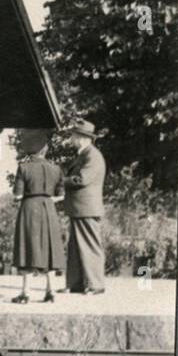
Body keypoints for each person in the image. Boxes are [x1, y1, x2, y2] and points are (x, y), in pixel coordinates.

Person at [10, 130, 64, 303]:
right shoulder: (55, 168)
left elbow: (17, 196)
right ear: (44, 149)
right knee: (49, 247)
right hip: (48, 207)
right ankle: (51, 291)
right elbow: (61, 195)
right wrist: (47, 198)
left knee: (27, 247)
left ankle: (25, 293)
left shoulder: (23, 167)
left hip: (29, 208)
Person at [59, 119, 108, 295]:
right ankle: (75, 284)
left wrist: (59, 182)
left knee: (89, 245)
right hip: (80, 208)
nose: (71, 138)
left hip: (87, 208)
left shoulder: (93, 156)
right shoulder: (84, 155)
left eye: (73, 135)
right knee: (75, 247)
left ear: (82, 138)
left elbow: (82, 179)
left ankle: (96, 284)